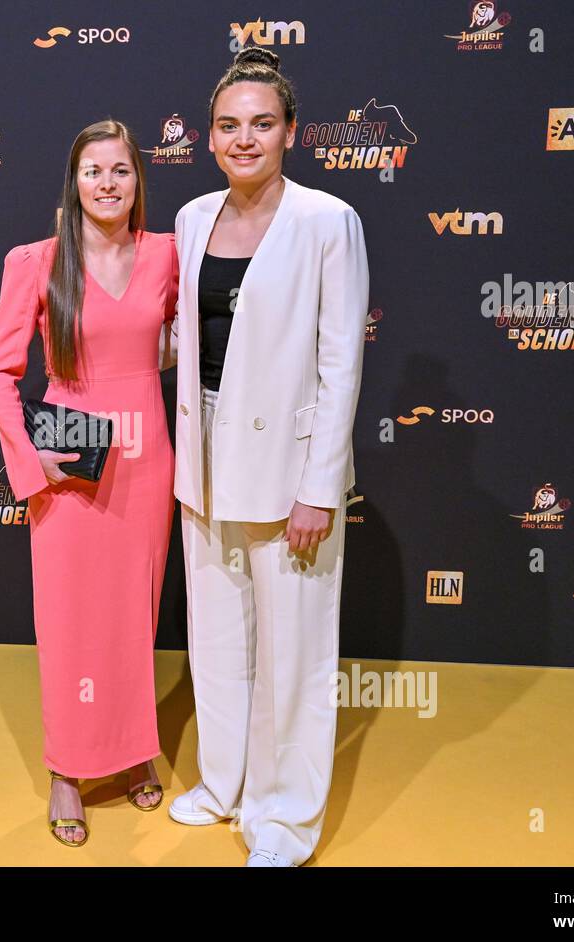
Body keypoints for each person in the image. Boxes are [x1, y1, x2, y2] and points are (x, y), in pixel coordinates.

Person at [167, 48, 370, 866]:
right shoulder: (190, 218)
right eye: (227, 125)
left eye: (261, 123)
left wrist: (319, 487)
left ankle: (282, 817)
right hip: (204, 454)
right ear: (208, 137)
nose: (243, 138)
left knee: (294, 648)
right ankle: (225, 786)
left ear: (291, 131)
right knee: (215, 636)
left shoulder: (328, 220)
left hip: (289, 467)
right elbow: (184, 336)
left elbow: (339, 363)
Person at [0, 119, 180, 847]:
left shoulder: (168, 253)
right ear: (75, 183)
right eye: (93, 170)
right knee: (69, 620)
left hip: (146, 458)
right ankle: (68, 768)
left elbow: (191, 345)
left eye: (121, 171)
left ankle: (131, 750)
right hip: (69, 460)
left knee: (134, 613)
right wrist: (35, 460)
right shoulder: (35, 260)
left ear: (138, 182)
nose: (107, 183)